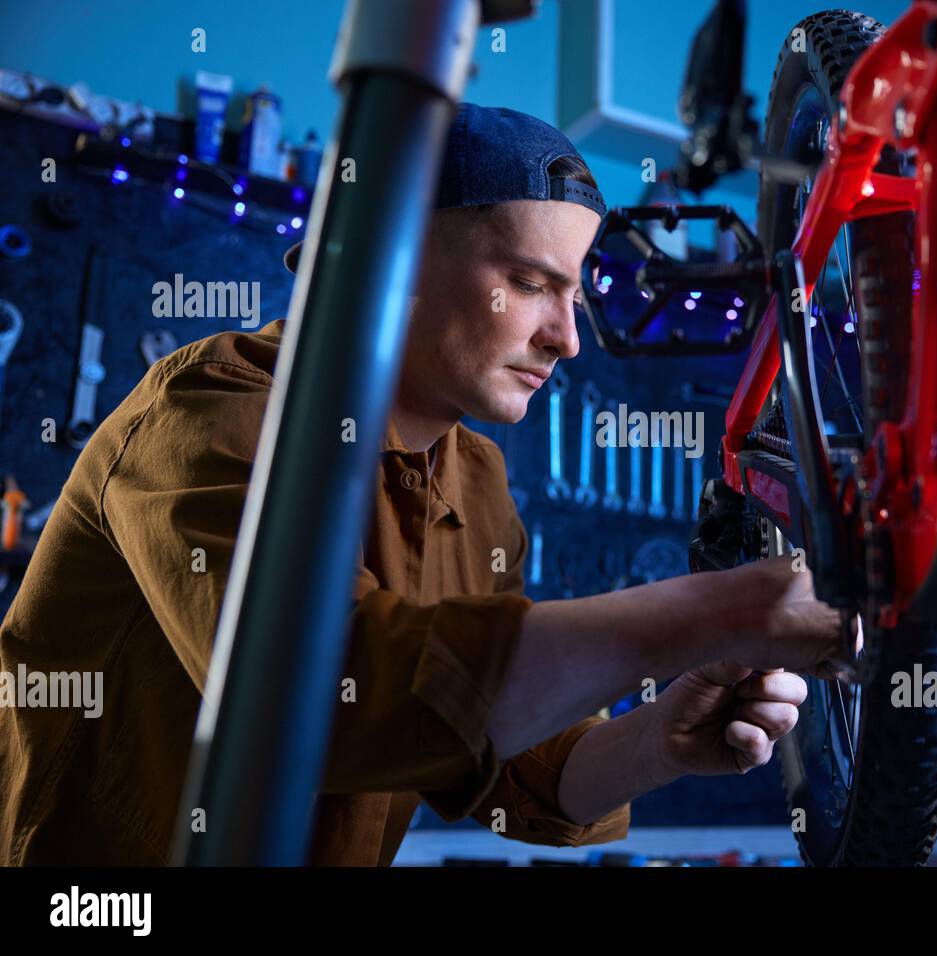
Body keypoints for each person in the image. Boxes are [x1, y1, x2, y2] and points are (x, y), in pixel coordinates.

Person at [0, 103, 853, 866]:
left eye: (576, 298)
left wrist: (659, 741)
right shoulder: (211, 416)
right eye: (528, 283)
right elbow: (325, 693)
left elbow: (503, 767)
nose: (568, 339)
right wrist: (717, 612)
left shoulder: (475, 480)